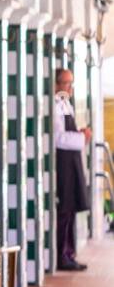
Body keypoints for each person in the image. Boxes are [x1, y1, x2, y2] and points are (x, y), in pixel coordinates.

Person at [53, 68, 92, 271]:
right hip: (63, 165)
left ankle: (69, 253)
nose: (69, 87)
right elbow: (58, 138)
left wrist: (80, 134)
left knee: (70, 212)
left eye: (71, 83)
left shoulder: (65, 104)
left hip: (72, 163)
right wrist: (81, 138)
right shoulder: (55, 106)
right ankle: (62, 256)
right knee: (64, 211)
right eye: (66, 83)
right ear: (57, 85)